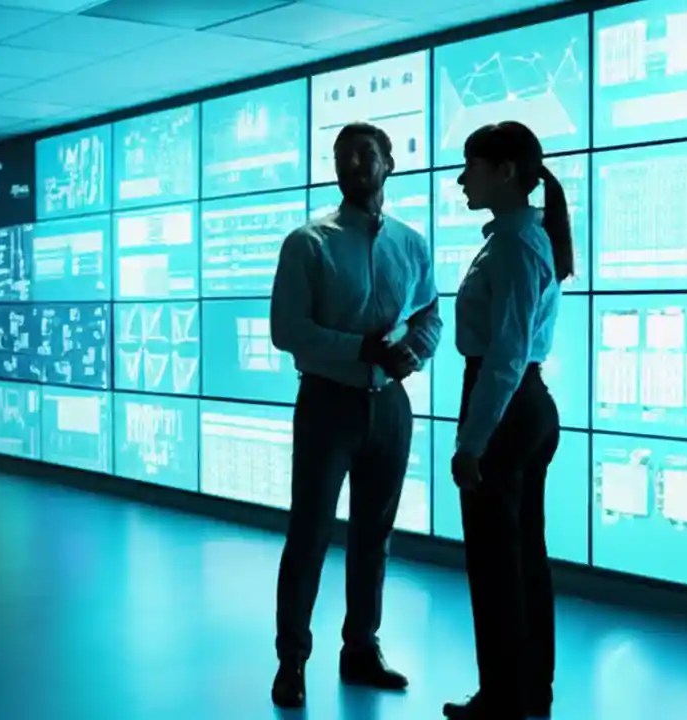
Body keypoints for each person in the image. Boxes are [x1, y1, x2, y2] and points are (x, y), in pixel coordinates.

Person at [268, 121, 442, 709]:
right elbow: (286, 331)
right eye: (343, 154)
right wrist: (359, 348)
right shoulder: (308, 242)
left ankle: (360, 648)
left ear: (389, 163)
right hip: (327, 403)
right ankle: (291, 660)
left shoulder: (412, 245)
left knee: (375, 537)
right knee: (309, 534)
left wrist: (413, 354)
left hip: (389, 405)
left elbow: (430, 317)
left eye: (365, 153)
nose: (353, 162)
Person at [441, 121, 572, 720]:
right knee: (522, 560)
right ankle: (526, 694)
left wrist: (472, 441)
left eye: (473, 166)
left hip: (505, 405)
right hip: (527, 403)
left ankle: (502, 698)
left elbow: (505, 354)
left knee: (496, 566)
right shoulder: (523, 238)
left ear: (507, 172)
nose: (463, 178)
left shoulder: (517, 245)